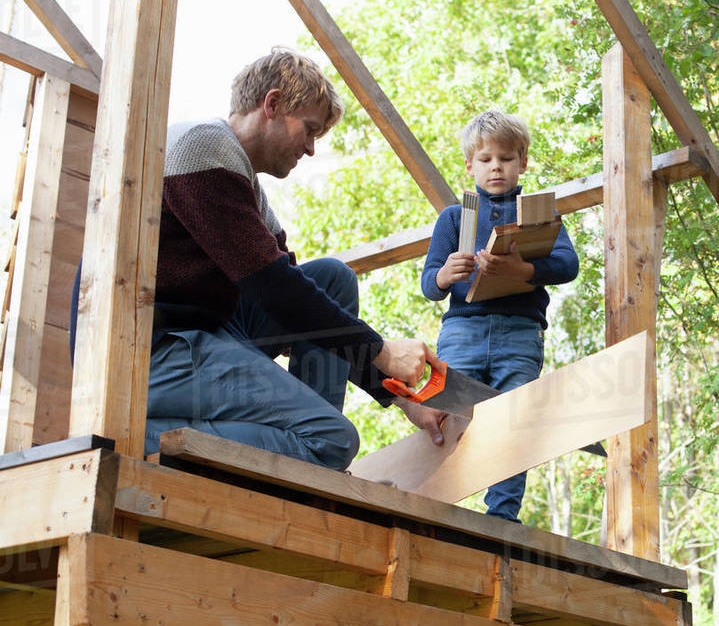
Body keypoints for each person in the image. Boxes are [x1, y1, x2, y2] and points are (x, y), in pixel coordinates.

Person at [72, 48, 445, 470]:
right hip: (148, 349)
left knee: (329, 278)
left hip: (206, 332)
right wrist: (381, 351)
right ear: (272, 105)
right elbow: (273, 288)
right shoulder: (201, 145)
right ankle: (136, 435)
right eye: (309, 130)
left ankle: (309, 457)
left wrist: (399, 396)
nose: (310, 149)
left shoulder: (246, 188)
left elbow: (299, 300)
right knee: (332, 440)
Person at [420, 111, 579, 521]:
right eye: (486, 159)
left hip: (521, 333)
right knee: (446, 411)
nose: (496, 167)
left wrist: (523, 269)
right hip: (463, 330)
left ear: (522, 163)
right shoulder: (455, 218)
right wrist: (444, 274)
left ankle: (502, 516)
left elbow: (567, 264)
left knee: (515, 419)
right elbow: (427, 285)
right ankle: (434, 505)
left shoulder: (538, 213)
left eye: (506, 159)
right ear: (469, 165)